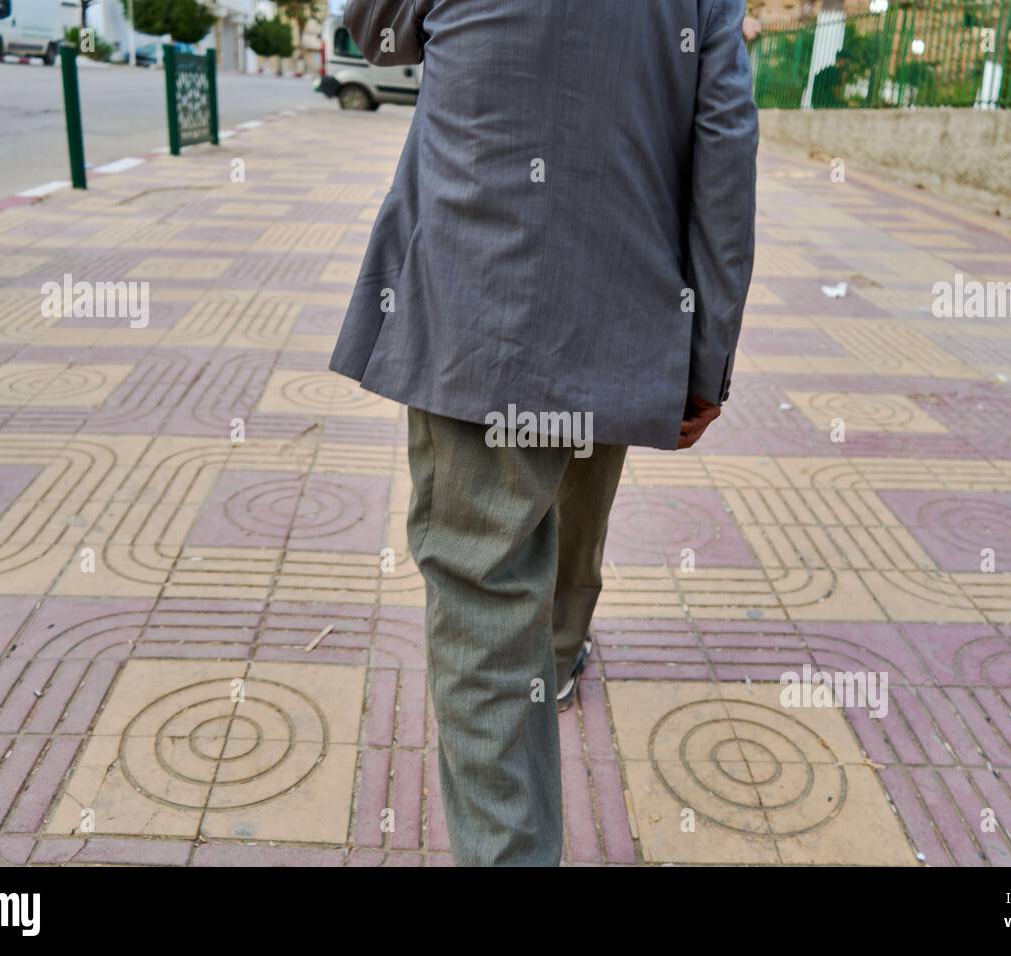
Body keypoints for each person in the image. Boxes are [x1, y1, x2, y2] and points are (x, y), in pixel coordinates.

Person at [329, 0, 758, 865]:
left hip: (482, 302)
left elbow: (372, 34)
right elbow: (725, 149)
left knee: (484, 585)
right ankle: (558, 655)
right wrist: (705, 350)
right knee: (574, 499)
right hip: (625, 303)